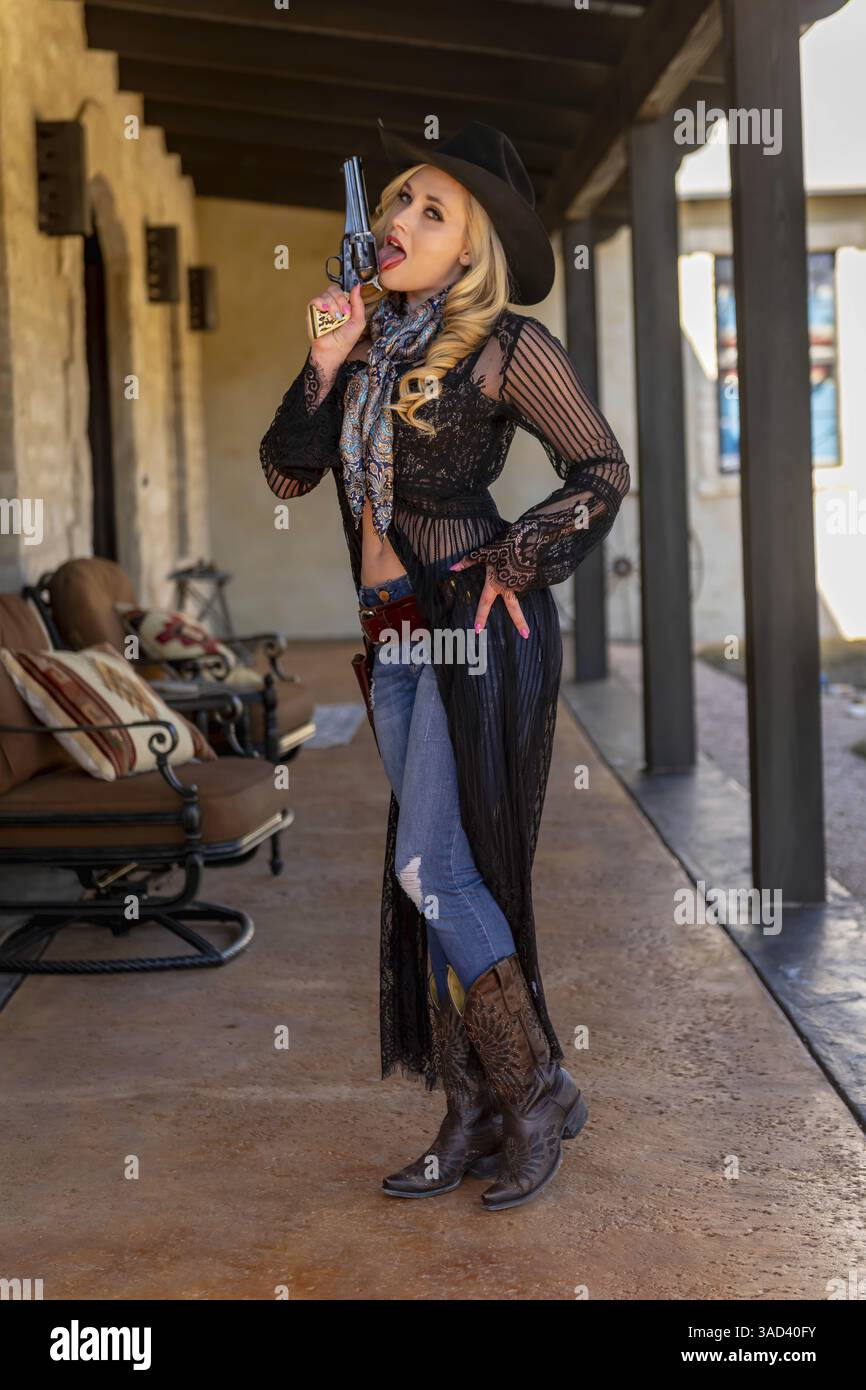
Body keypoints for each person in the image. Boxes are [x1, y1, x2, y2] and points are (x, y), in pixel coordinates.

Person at [259, 119, 630, 1211]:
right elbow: (287, 477)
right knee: (434, 879)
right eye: (397, 203)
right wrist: (325, 358)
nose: (401, 223)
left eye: (432, 210)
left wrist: (515, 555)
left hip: (475, 630)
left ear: (469, 249)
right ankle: (471, 1111)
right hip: (389, 634)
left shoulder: (506, 345)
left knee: (434, 866)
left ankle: (537, 1088)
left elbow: (599, 468)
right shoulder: (366, 342)